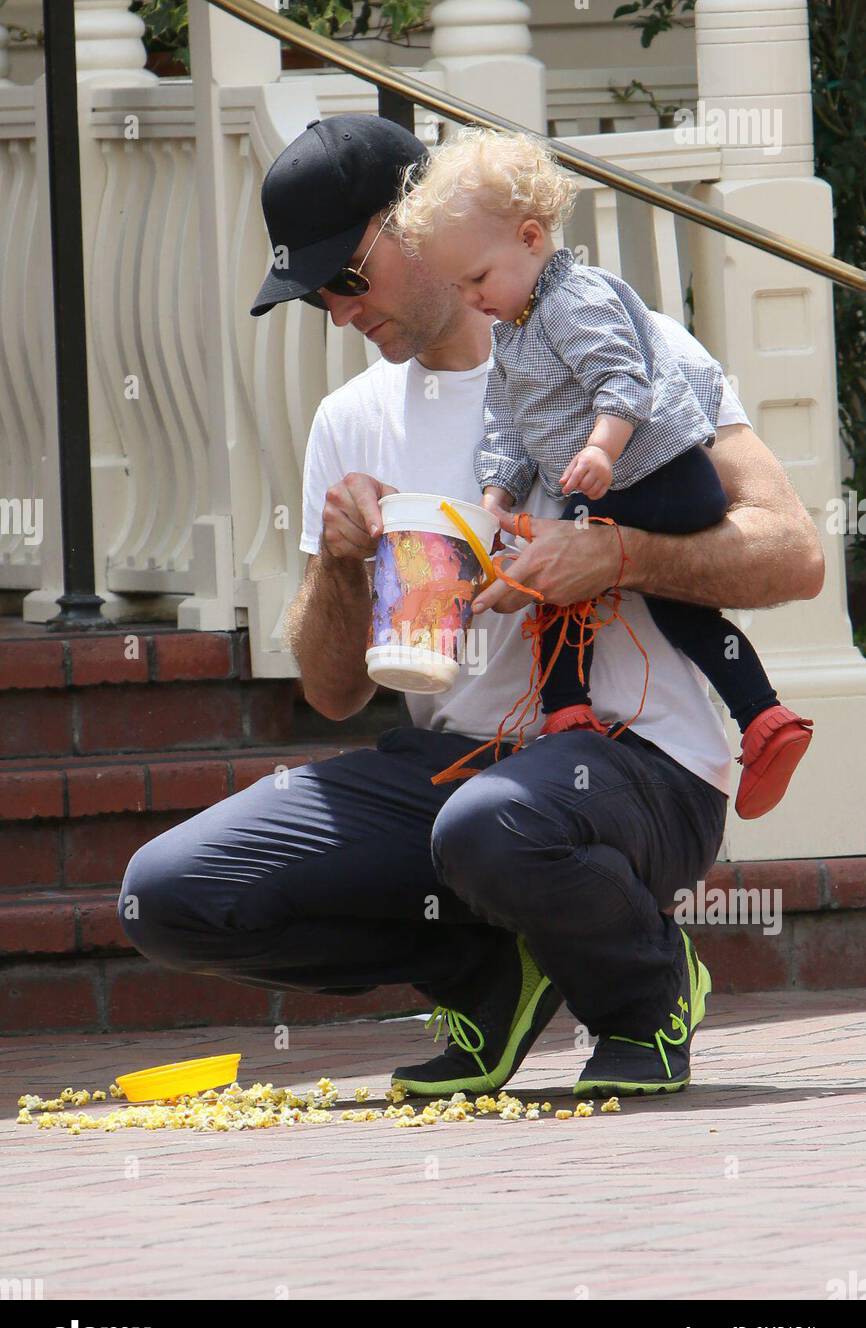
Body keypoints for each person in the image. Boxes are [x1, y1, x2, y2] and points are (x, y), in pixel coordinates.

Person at [119, 115, 824, 1100]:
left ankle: (643, 999)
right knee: (170, 895)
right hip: (452, 762)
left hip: (633, 761)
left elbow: (793, 553)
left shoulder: (615, 344)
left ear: (417, 223)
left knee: (491, 826)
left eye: (345, 276)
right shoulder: (351, 419)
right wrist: (341, 566)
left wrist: (615, 554)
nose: (333, 310)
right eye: (312, 292)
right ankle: (487, 977)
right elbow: (328, 693)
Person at [393, 127, 813, 818]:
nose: (470, 299)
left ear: (531, 238)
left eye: (476, 279)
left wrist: (600, 450)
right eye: (458, 286)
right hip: (618, 480)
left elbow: (622, 379)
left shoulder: (574, 300)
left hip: (659, 473)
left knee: (572, 583)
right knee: (644, 603)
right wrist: (496, 493)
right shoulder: (515, 327)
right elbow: (509, 422)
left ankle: (577, 714)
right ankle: (754, 719)